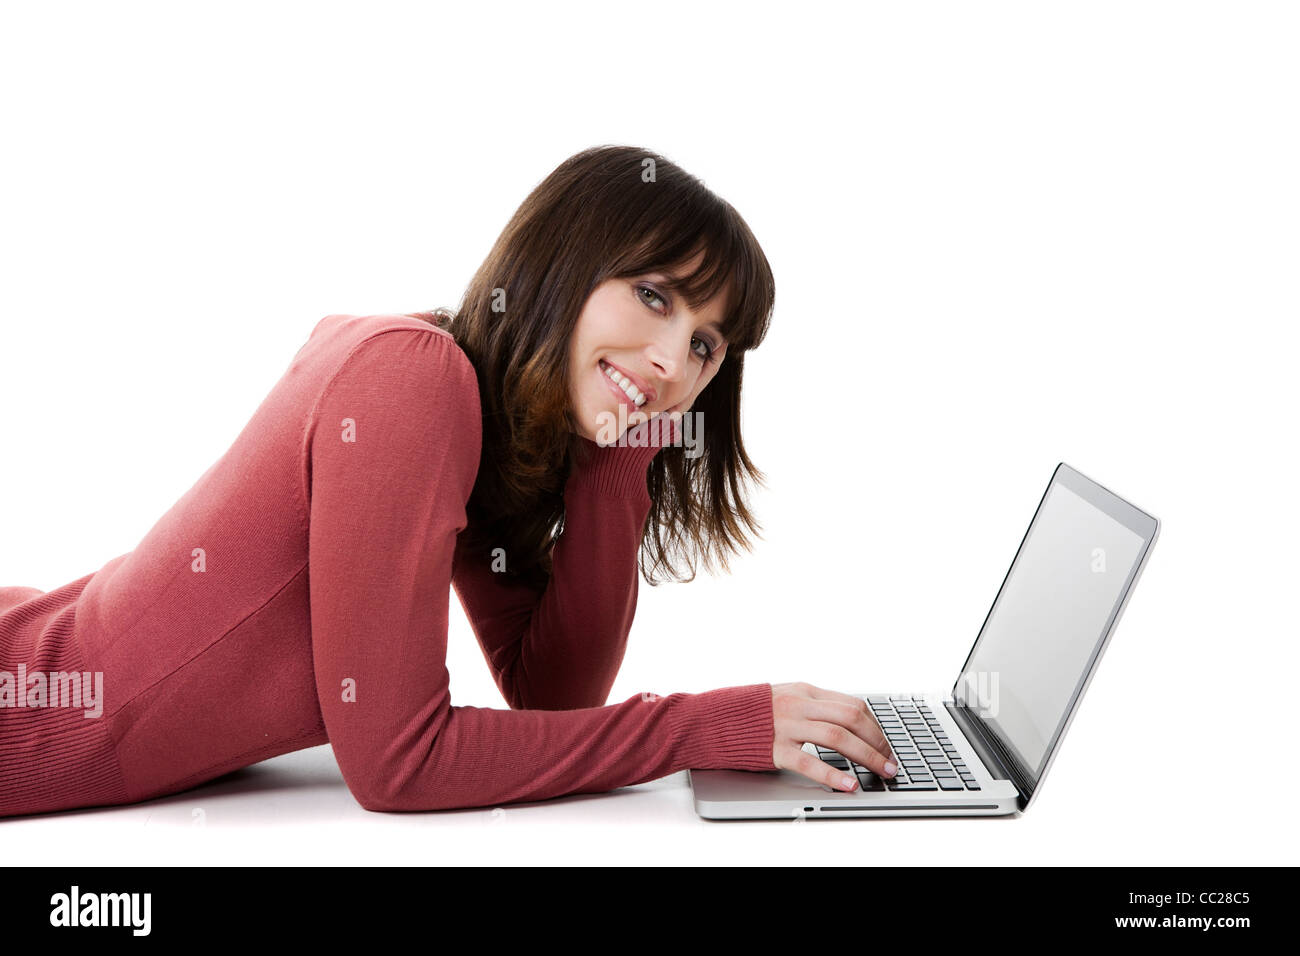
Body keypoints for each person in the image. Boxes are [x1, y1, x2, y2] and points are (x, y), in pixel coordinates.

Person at [0, 145, 896, 818]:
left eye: (705, 346)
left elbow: (553, 698)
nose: (673, 360)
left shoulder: (476, 413)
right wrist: (709, 727)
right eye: (655, 296)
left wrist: (617, 456)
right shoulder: (412, 380)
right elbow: (399, 765)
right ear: (564, 263)